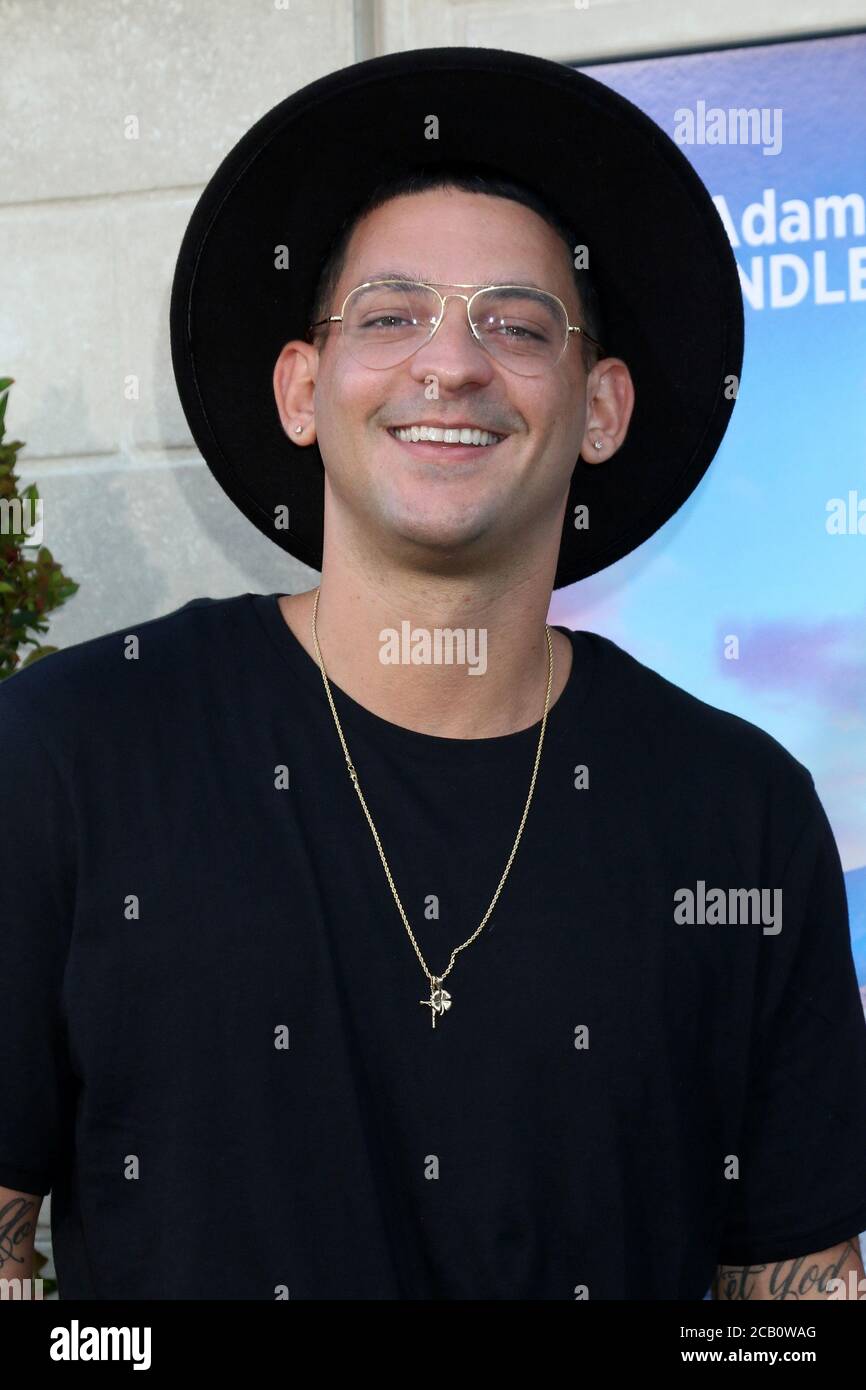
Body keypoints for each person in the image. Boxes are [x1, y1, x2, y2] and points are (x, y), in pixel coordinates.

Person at [2, 46, 865, 1303]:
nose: (449, 366)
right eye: (390, 314)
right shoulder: (68, 752)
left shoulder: (739, 814)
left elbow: (794, 1285)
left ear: (600, 408)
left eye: (517, 326)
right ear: (303, 387)